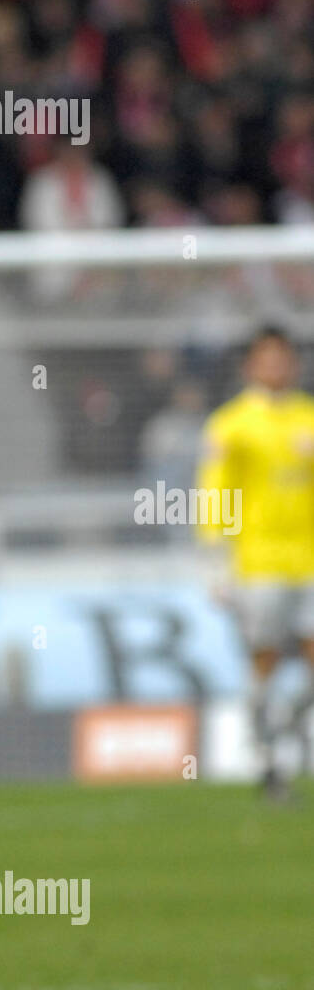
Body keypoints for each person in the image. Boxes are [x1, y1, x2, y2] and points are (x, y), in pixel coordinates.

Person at [196, 326, 314, 799]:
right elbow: (214, 491)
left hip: (308, 560)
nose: (277, 366)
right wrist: (215, 562)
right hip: (257, 563)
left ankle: (285, 722)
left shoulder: (308, 417)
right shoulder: (231, 424)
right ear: (251, 366)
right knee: (264, 662)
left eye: (283, 357)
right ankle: (267, 760)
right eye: (267, 358)